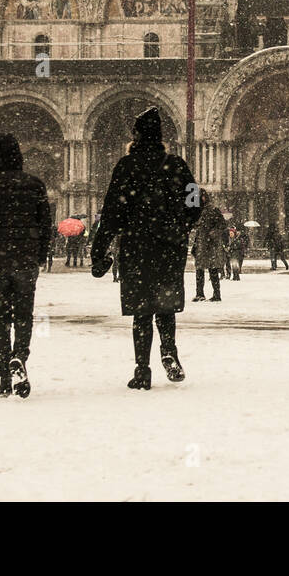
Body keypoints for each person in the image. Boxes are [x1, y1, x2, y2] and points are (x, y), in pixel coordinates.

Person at [91, 107, 202, 391]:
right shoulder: (176, 165)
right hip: (168, 246)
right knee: (165, 306)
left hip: (136, 246)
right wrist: (180, 227)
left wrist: (100, 249)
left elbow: (112, 211)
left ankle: (142, 370)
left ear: (137, 135)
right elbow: (195, 202)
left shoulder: (126, 167)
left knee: (142, 311)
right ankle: (169, 351)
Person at [0, 133, 52, 398]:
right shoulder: (35, 184)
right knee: (24, 314)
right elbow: (45, 223)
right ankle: (20, 358)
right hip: (26, 255)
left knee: (1, 318)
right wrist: (40, 253)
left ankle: (4, 374)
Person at [191, 190, 226, 302]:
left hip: (210, 244)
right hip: (201, 243)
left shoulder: (212, 210)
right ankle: (200, 293)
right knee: (199, 269)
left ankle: (217, 294)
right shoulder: (196, 211)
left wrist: (214, 232)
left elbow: (222, 224)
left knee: (213, 269)